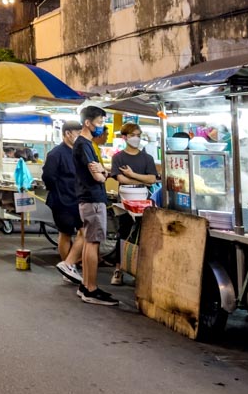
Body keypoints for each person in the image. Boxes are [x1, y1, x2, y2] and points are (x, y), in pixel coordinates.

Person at [73, 106, 118, 306]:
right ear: (88, 122)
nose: (101, 127)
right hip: (92, 198)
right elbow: (98, 175)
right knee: (93, 243)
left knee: (89, 241)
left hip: (89, 198)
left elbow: (100, 171)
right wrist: (105, 173)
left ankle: (85, 285)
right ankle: (91, 288)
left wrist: (103, 171)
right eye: (99, 123)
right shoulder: (84, 145)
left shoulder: (86, 144)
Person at [109, 122, 160, 286]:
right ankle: (118, 269)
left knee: (143, 235)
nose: (136, 139)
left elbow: (152, 179)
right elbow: (120, 179)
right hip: (124, 200)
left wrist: (132, 174)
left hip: (144, 202)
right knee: (123, 234)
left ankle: (141, 270)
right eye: (132, 135)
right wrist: (140, 179)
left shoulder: (147, 158)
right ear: (124, 137)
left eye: (138, 135)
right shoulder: (118, 157)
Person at [42, 121, 85, 284]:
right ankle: (68, 268)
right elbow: (48, 177)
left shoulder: (79, 152)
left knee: (84, 232)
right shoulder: (56, 153)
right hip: (61, 200)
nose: (80, 136)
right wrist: (59, 192)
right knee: (65, 233)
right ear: (68, 133)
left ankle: (68, 264)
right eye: (78, 133)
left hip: (79, 199)